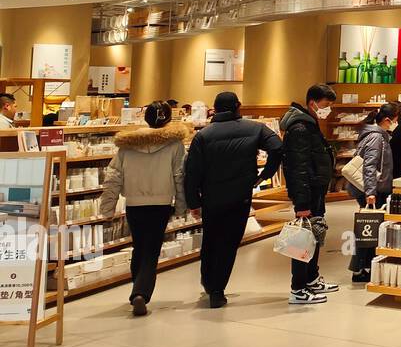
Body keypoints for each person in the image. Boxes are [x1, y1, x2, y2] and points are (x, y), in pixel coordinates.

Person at [184, 91, 284, 308]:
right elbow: (277, 147)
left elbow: (192, 171)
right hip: (240, 196)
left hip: (212, 196)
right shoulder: (255, 128)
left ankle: (209, 282)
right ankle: (217, 290)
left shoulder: (204, 135)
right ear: (238, 106)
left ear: (215, 108)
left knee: (211, 239)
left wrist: (193, 202)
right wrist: (264, 175)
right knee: (229, 243)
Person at [99, 101, 190, 316]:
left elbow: (113, 177)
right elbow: (179, 177)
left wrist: (107, 208)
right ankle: (140, 293)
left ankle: (137, 288)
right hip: (160, 204)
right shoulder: (175, 145)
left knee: (139, 247)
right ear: (168, 119)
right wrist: (181, 206)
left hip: (134, 204)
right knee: (151, 249)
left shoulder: (127, 145)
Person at [280, 85, 338, 305]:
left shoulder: (310, 125)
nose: (328, 110)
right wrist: (302, 202)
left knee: (315, 236)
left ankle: (312, 278)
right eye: (326, 105)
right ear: (312, 102)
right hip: (308, 195)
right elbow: (298, 168)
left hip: (316, 192)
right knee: (302, 239)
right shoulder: (301, 129)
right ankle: (298, 288)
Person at [349, 102, 398, 282]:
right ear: (387, 120)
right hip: (371, 191)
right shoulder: (376, 138)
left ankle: (365, 266)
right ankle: (360, 269)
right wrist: (370, 192)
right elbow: (369, 166)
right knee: (367, 229)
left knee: (369, 229)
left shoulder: (375, 135)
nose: (395, 123)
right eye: (395, 120)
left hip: (373, 189)